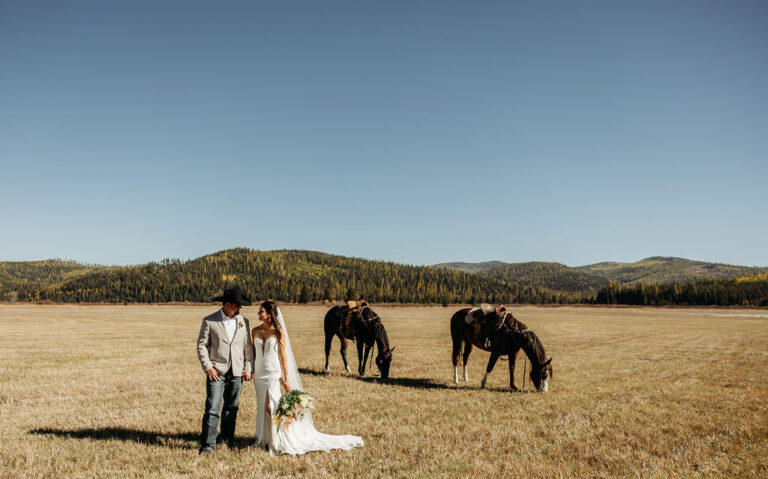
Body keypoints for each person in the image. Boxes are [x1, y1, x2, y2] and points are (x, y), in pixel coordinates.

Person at [252, 300, 364, 455]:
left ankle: (277, 440)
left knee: (272, 406)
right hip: (259, 374)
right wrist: (251, 370)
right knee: (262, 407)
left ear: (270, 315)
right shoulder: (255, 331)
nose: (258, 314)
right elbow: (253, 353)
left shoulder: (278, 332)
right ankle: (262, 438)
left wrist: (286, 375)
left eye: (261, 312)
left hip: (272, 372)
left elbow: (282, 355)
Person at [196, 286, 254, 454]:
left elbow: (247, 347)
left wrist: (248, 368)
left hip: (237, 372)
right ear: (227, 304)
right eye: (237, 305)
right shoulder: (209, 320)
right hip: (217, 372)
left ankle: (228, 439)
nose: (240, 308)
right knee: (213, 407)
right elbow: (201, 345)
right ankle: (208, 444)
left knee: (232, 407)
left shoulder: (244, 322)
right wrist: (208, 367)